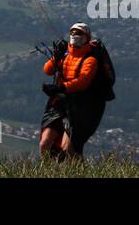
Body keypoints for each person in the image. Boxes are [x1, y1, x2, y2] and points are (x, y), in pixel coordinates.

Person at [38, 22, 107, 161]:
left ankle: (81, 173)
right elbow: (48, 70)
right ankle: (46, 172)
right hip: (59, 104)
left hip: (80, 107)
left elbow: (83, 82)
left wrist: (62, 87)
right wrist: (56, 57)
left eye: (79, 34)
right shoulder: (64, 54)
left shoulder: (90, 60)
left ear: (86, 37)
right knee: (44, 143)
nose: (75, 36)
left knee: (68, 149)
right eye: (73, 33)